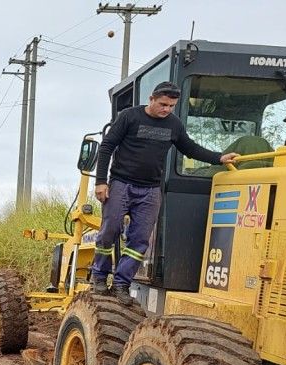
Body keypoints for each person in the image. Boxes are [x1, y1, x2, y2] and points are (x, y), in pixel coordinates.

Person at [91, 81, 239, 304]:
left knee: (140, 239)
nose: (166, 109)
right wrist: (101, 181)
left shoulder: (174, 125)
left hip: (150, 190)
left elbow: (190, 148)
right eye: (163, 104)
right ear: (151, 99)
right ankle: (99, 277)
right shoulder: (129, 117)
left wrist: (219, 157)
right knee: (109, 230)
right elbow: (106, 147)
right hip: (121, 183)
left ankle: (122, 284)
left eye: (171, 105)